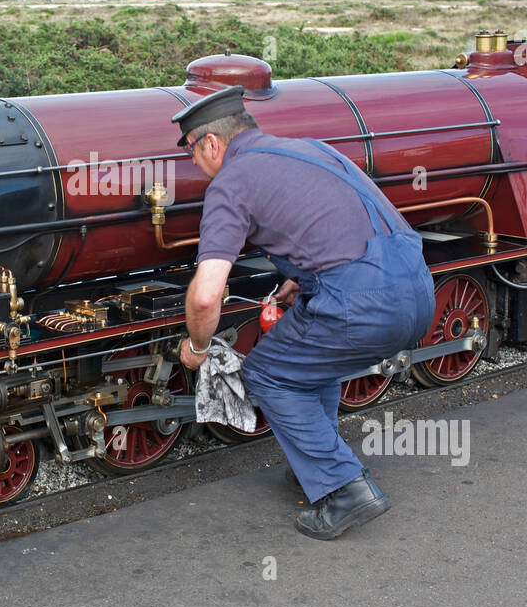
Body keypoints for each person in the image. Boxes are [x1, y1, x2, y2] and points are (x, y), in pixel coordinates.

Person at [173, 85, 435, 539]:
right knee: (310, 359)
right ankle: (313, 464)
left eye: (193, 153)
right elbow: (345, 224)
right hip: (418, 286)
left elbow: (204, 297)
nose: (196, 165)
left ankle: (346, 488)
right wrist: (307, 279)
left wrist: (196, 347)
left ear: (211, 143)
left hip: (362, 302)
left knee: (269, 374)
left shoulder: (231, 183)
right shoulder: (311, 148)